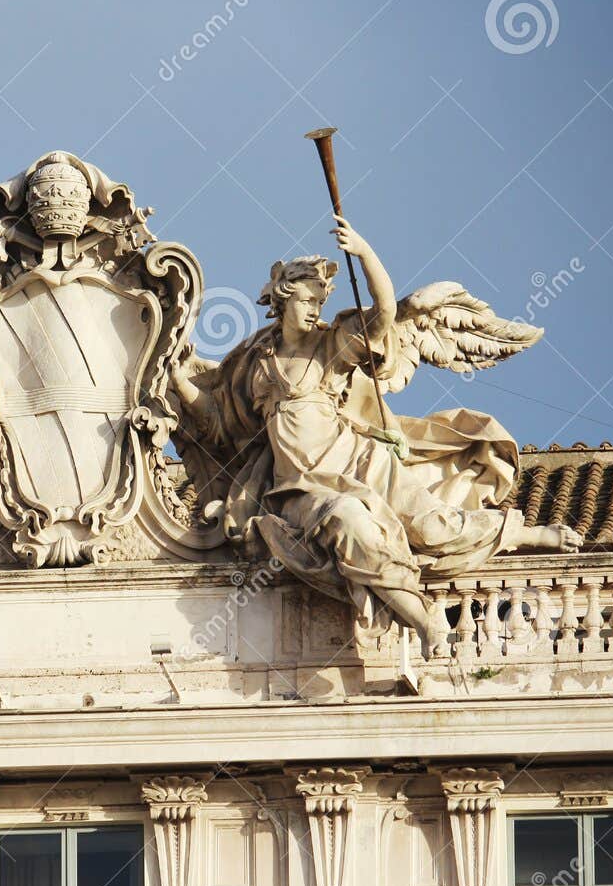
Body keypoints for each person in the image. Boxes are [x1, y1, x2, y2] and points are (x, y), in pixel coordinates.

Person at [169, 216, 580, 654]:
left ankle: (519, 533)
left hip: (360, 460)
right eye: (308, 299)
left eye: (321, 301)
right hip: (299, 486)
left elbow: (384, 314)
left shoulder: (330, 346)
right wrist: (174, 372)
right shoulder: (255, 361)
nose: (315, 309)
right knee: (351, 524)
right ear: (284, 296)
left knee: (431, 527)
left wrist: (364, 253)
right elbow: (215, 417)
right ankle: (427, 625)